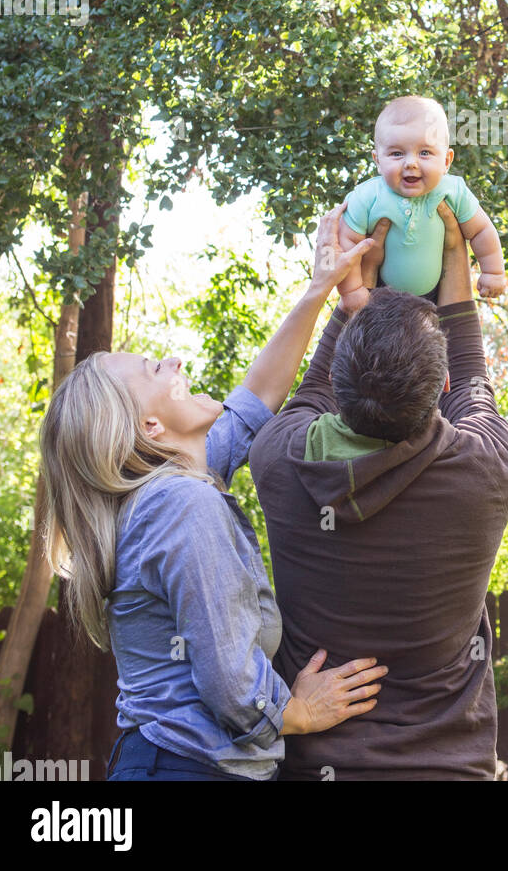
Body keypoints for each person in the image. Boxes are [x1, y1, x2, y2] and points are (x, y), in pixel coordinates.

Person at [39, 207, 389, 781]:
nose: (175, 360)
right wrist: (294, 713)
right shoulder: (184, 506)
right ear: (151, 430)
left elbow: (255, 401)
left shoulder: (175, 483)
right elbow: (228, 677)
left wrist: (324, 289)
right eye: (157, 370)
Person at [249, 201, 508, 780]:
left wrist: (351, 288)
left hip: (314, 767)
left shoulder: (279, 459)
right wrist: (455, 257)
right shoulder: (488, 470)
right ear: (441, 384)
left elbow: (316, 388)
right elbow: (474, 383)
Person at [334, 94, 507, 311]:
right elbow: (347, 242)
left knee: (441, 337)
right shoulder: (367, 196)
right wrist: (351, 289)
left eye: (425, 153)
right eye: (396, 154)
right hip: (378, 292)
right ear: (378, 160)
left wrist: (493, 272)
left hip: (437, 295)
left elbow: (481, 230)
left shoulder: (453, 192)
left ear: (446, 161)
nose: (411, 163)